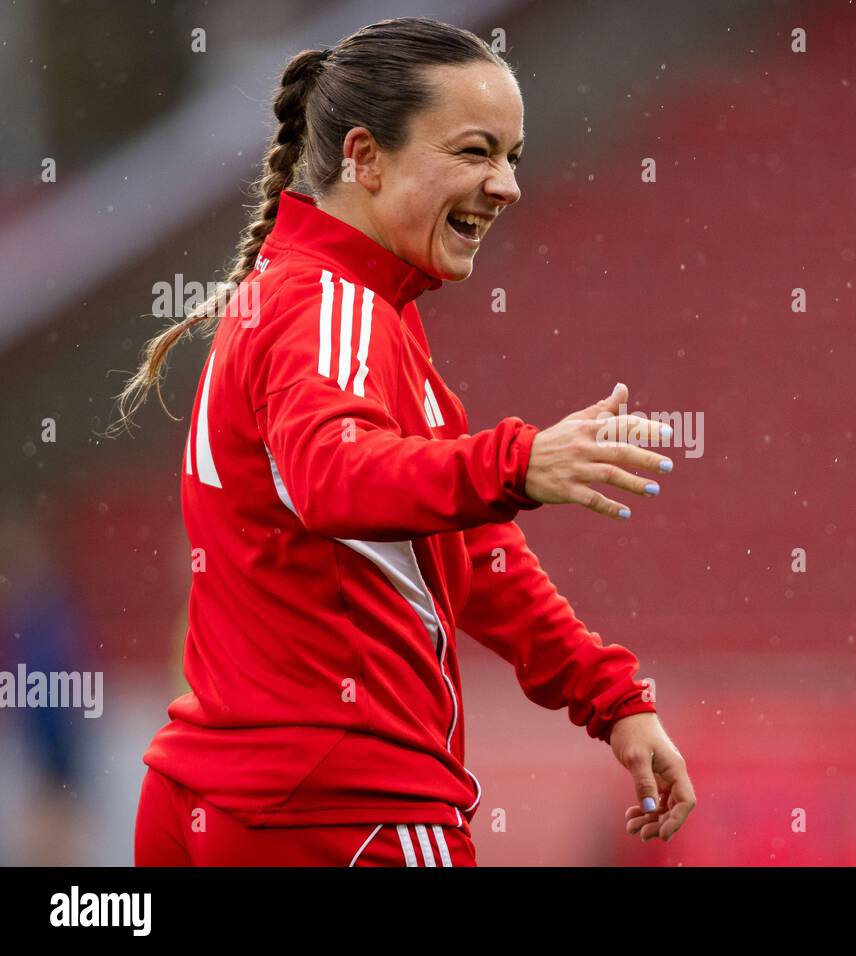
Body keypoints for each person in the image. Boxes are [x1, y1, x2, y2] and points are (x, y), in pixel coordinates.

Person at [113, 17, 695, 866]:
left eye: (515, 157)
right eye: (475, 152)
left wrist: (609, 697)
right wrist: (521, 462)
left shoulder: (328, 304)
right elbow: (333, 477)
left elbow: (463, 550)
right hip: (346, 809)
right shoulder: (333, 306)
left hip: (216, 802)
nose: (506, 186)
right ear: (366, 157)